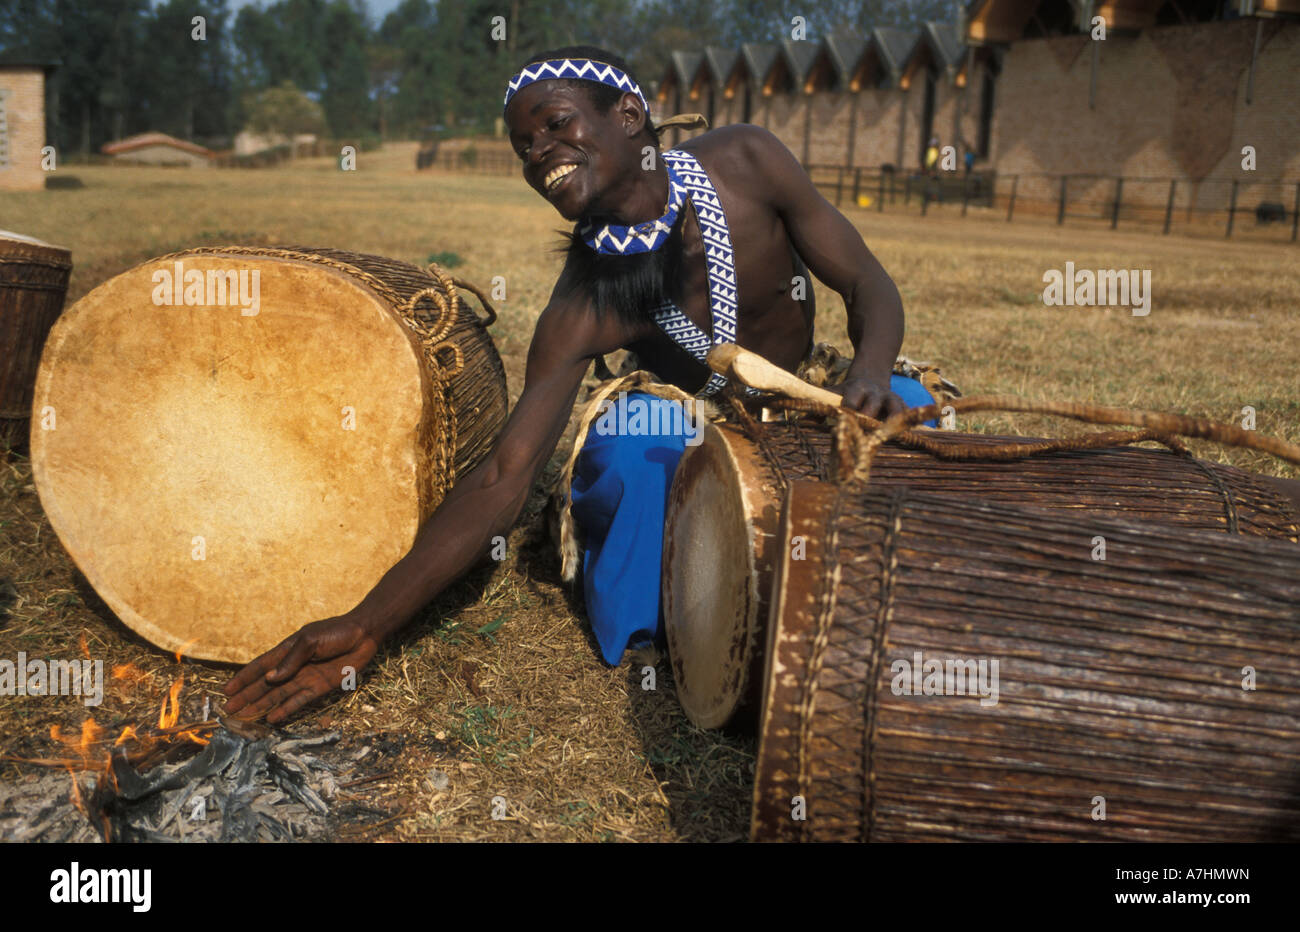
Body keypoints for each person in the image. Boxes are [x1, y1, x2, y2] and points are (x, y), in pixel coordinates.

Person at [222, 46, 936, 722]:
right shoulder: (585, 301)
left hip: (811, 393)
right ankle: (662, 637)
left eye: (556, 125)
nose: (539, 154)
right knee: (630, 449)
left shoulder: (747, 161)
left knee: (915, 413)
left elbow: (867, 281)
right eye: (523, 146)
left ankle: (919, 600)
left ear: (628, 116)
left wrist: (871, 370)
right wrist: (365, 625)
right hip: (691, 421)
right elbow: (506, 474)